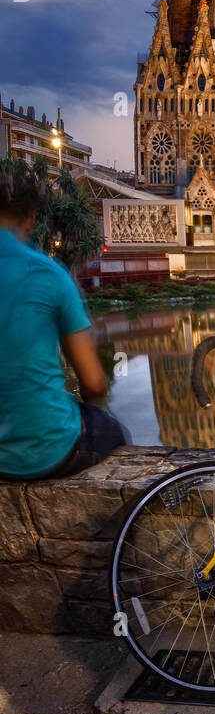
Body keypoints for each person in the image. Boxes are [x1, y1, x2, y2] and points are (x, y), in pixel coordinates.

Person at [0, 161, 129, 480]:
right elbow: (94, 382)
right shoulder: (48, 274)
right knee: (115, 433)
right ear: (30, 220)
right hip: (45, 449)